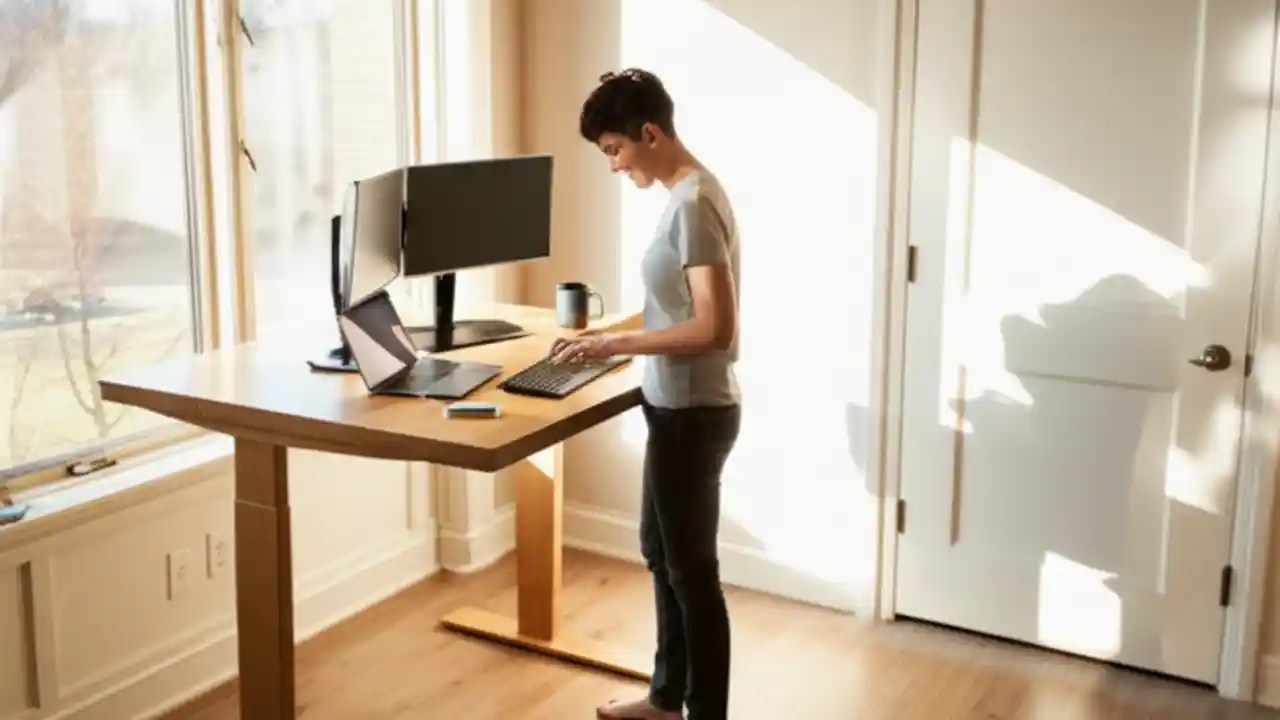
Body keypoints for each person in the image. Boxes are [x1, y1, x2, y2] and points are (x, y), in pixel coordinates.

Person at [550, 68, 742, 720]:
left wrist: (615, 347)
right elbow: (674, 308)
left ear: (650, 133)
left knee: (693, 575)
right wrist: (606, 335)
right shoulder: (685, 194)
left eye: (614, 149)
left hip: (693, 413)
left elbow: (715, 327)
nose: (613, 165)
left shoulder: (693, 204)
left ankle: (701, 712)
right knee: (662, 555)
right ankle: (665, 699)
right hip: (671, 406)